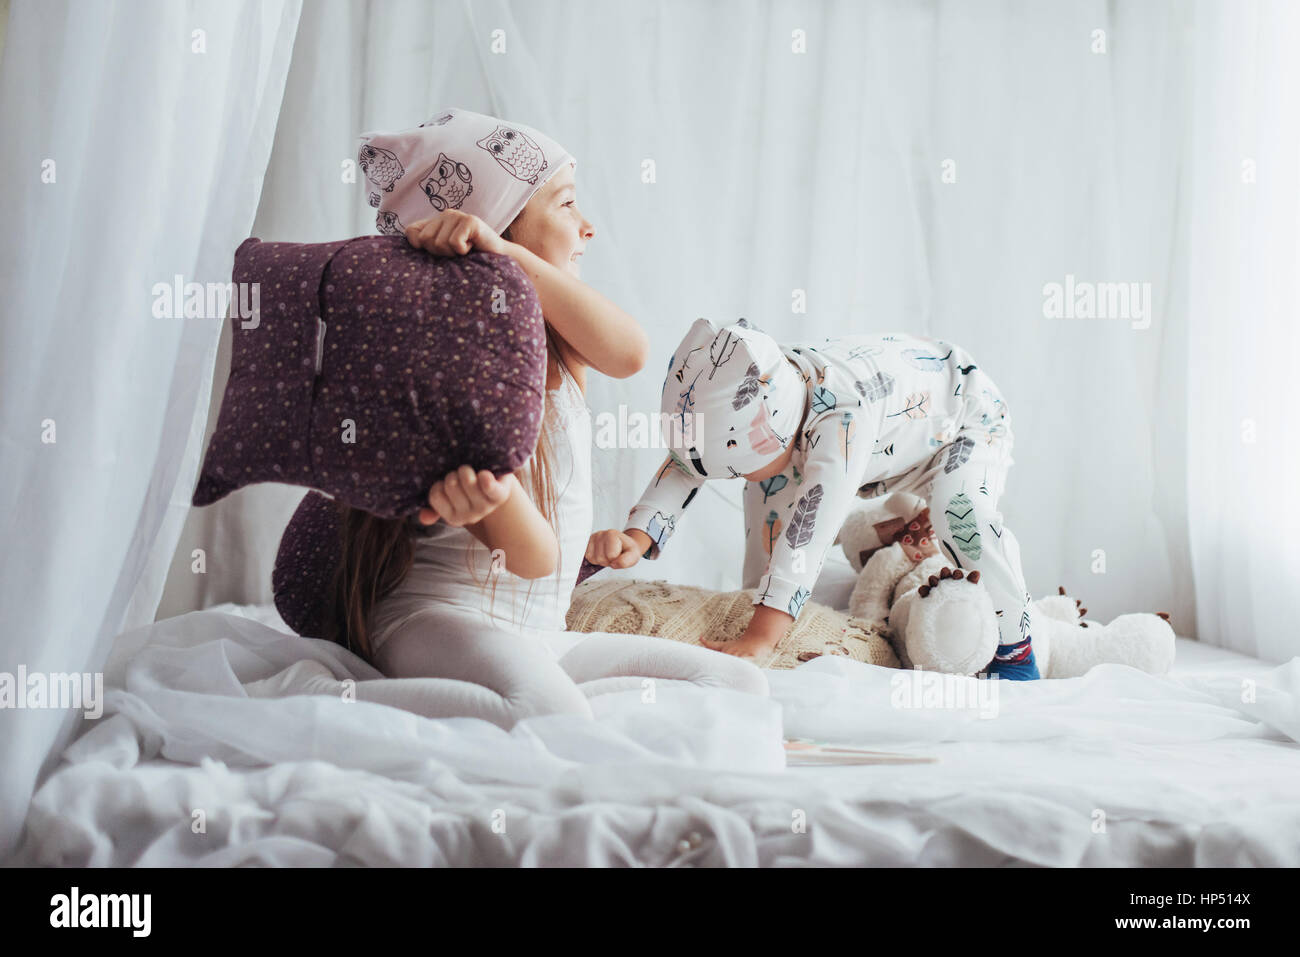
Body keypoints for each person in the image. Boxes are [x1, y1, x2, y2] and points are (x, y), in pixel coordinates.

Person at [251, 109, 769, 730]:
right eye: (567, 205)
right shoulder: (438, 373)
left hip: (537, 628)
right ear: (494, 224)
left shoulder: (555, 345)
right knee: (545, 714)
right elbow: (531, 557)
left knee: (738, 682)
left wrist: (505, 256)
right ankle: (317, 700)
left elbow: (629, 351)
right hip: (435, 617)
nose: (589, 227)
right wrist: (497, 504)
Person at [585, 317, 1041, 679]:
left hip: (961, 417)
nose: (732, 477)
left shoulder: (842, 421)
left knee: (960, 515)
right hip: (894, 443)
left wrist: (764, 636)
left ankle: (1016, 648)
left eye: (737, 465)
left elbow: (813, 528)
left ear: (771, 431)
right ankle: (751, 602)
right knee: (768, 492)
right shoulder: (758, 391)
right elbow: (688, 464)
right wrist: (638, 536)